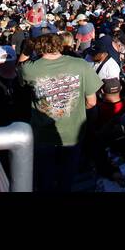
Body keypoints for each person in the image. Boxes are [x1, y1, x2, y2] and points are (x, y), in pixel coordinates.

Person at [18, 32, 101, 192]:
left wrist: (27, 51)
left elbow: (19, 69)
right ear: (60, 45)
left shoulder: (30, 69)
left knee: (45, 179)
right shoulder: (81, 65)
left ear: (39, 48)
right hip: (73, 133)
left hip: (43, 135)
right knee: (67, 179)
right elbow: (92, 102)